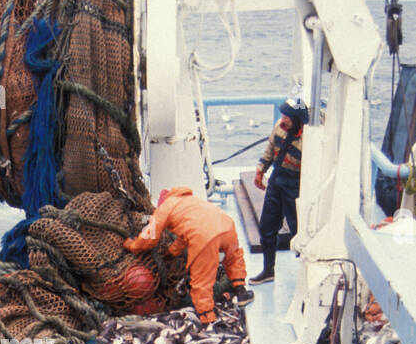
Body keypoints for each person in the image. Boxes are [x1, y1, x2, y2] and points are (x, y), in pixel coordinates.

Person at [123, 186, 253, 324]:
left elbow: (149, 238)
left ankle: (207, 317)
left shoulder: (164, 208)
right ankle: (241, 291)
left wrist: (132, 245)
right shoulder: (190, 201)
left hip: (204, 236)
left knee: (202, 278)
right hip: (227, 226)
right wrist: (171, 252)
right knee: (234, 258)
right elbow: (184, 237)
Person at [250, 97, 310, 284]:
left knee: (298, 231)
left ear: (298, 120)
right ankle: (268, 271)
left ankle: (306, 276)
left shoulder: (309, 141)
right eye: (283, 115)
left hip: (296, 185)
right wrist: (261, 170)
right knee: (266, 227)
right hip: (277, 179)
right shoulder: (280, 127)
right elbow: (270, 149)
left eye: (288, 118)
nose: (283, 120)